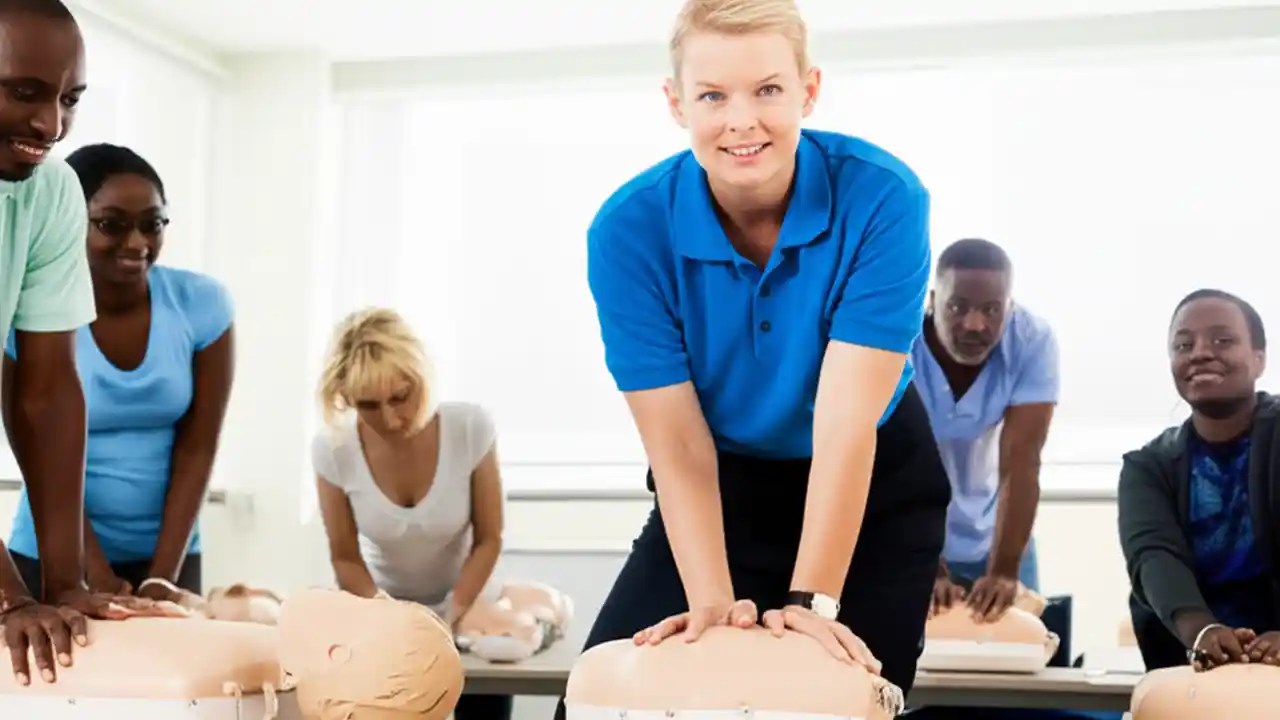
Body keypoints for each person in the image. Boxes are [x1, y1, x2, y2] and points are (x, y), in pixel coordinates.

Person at [559, 0, 952, 715]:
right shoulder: (628, 230)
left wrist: (812, 604)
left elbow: (842, 426)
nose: (742, 120)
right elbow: (676, 443)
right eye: (712, 95)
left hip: (871, 491)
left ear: (809, 89)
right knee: (617, 698)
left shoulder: (884, 199)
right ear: (676, 103)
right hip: (720, 479)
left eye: (768, 89)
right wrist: (710, 606)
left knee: (832, 697)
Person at [0, 0, 173, 690]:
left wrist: (65, 583)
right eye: (23, 92)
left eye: (69, 99)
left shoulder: (48, 193)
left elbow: (45, 389)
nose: (50, 125)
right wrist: (11, 596)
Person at [5, 143, 236, 604]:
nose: (137, 243)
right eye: (111, 225)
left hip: (171, 556)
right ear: (71, 221)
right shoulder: (26, 313)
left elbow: (198, 445)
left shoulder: (202, 303)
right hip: (54, 557)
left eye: (152, 224)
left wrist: (162, 578)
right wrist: (91, 572)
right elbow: (35, 452)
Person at [311, 307, 511, 720]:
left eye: (401, 397)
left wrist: (451, 615)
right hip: (384, 610)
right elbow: (345, 557)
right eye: (368, 405)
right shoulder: (333, 449)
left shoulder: (469, 426)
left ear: (421, 379)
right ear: (345, 398)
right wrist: (390, 620)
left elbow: (489, 538)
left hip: (470, 604)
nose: (389, 418)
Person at [1119, 289, 1280, 672]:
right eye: (1183, 344)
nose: (1200, 353)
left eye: (1222, 340)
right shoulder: (1148, 466)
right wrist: (1202, 632)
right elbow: (1153, 556)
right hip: (1192, 666)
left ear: (1259, 359)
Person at [911, 238, 1059, 621]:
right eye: (957, 307)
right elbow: (893, 460)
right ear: (931, 300)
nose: (975, 324)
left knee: (1022, 649)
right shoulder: (898, 339)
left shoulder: (1032, 340)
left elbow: (1022, 463)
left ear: (1009, 306)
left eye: (992, 310)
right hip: (911, 526)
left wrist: (1004, 572)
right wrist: (925, 560)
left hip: (999, 531)